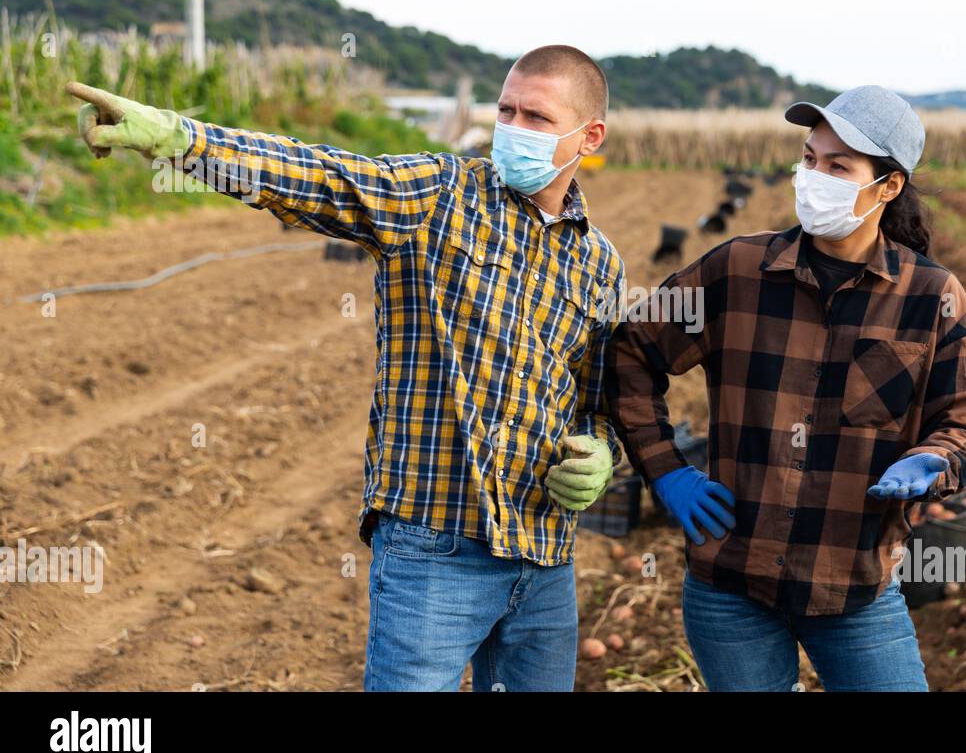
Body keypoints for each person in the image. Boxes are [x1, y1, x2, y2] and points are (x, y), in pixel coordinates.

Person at [66, 44, 625, 692]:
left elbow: (601, 394)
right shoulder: (438, 198)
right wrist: (179, 138)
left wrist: (601, 449)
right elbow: (320, 176)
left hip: (545, 557)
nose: (513, 130)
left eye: (537, 118)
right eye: (506, 111)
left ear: (590, 137)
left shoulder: (599, 262)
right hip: (435, 549)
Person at [608, 85, 966, 691]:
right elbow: (630, 351)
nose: (814, 176)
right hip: (730, 586)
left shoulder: (932, 296)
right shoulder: (736, 270)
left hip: (855, 589)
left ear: (888, 186)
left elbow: (964, 423)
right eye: (810, 159)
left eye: (839, 166)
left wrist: (933, 459)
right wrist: (666, 470)